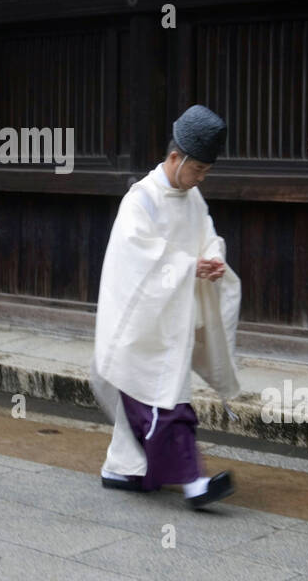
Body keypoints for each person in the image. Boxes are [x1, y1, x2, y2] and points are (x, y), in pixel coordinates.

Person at [90, 104, 243, 509]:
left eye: (206, 173)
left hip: (171, 319)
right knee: (163, 405)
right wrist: (189, 266)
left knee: (150, 402)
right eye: (197, 170)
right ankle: (193, 481)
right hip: (140, 327)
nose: (200, 179)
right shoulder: (140, 200)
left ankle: (122, 468)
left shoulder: (192, 198)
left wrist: (212, 260)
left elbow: (207, 235)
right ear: (175, 157)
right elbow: (138, 259)